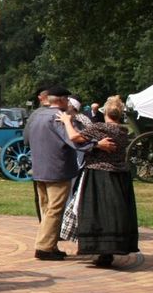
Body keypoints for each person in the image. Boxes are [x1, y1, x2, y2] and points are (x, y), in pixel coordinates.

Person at [24, 86, 116, 260]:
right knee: (55, 209)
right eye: (66, 99)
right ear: (59, 100)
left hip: (38, 169)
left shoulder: (36, 116)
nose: (68, 103)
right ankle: (44, 248)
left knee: (46, 209)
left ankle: (50, 244)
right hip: (57, 169)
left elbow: (26, 138)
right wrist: (97, 145)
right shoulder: (59, 118)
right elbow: (74, 140)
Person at [58, 95, 138, 267]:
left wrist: (66, 121)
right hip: (120, 176)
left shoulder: (100, 127)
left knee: (96, 213)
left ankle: (99, 250)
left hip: (98, 174)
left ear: (106, 113)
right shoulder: (124, 131)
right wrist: (96, 143)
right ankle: (110, 250)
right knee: (114, 214)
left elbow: (74, 137)